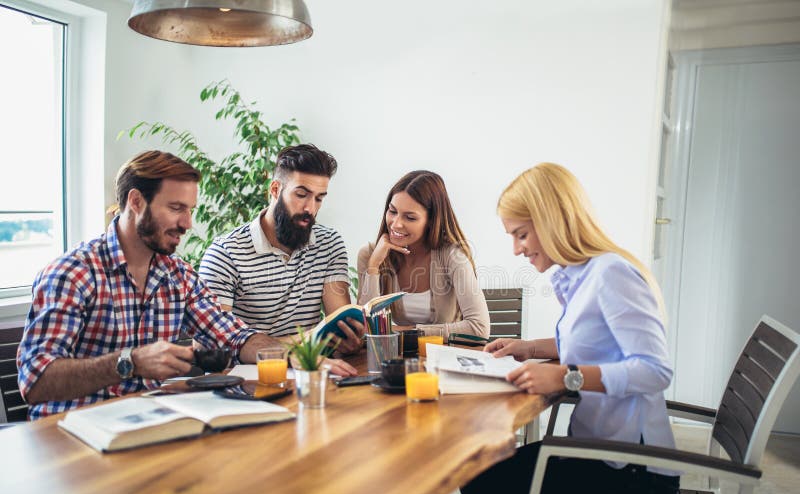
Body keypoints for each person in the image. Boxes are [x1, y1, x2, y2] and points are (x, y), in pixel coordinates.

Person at [17, 150, 356, 420]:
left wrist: (300, 357)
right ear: (136, 202)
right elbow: (35, 381)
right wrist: (130, 362)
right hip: (71, 432)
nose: (188, 223)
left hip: (145, 424)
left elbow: (234, 337)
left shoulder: (177, 275)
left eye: (191, 209)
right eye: (176, 208)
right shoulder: (73, 273)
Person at [460, 163, 679, 494]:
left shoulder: (611, 274)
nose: (516, 250)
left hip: (634, 472)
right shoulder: (582, 274)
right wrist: (529, 348)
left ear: (552, 220)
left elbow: (655, 371)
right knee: (475, 476)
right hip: (598, 451)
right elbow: (597, 346)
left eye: (522, 234)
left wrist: (565, 376)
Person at [199, 144, 364, 355]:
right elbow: (209, 347)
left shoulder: (329, 244)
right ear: (275, 189)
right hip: (250, 377)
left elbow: (339, 325)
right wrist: (310, 339)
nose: (310, 209)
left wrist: (349, 339)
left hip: (311, 371)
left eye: (319, 198)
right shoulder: (225, 254)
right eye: (301, 194)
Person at [357, 170, 489, 339]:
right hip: (394, 360)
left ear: (431, 221)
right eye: (392, 211)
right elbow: (363, 330)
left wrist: (408, 332)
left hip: (444, 358)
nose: (396, 224)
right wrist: (373, 267)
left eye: (410, 218)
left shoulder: (452, 257)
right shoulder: (369, 254)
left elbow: (479, 328)